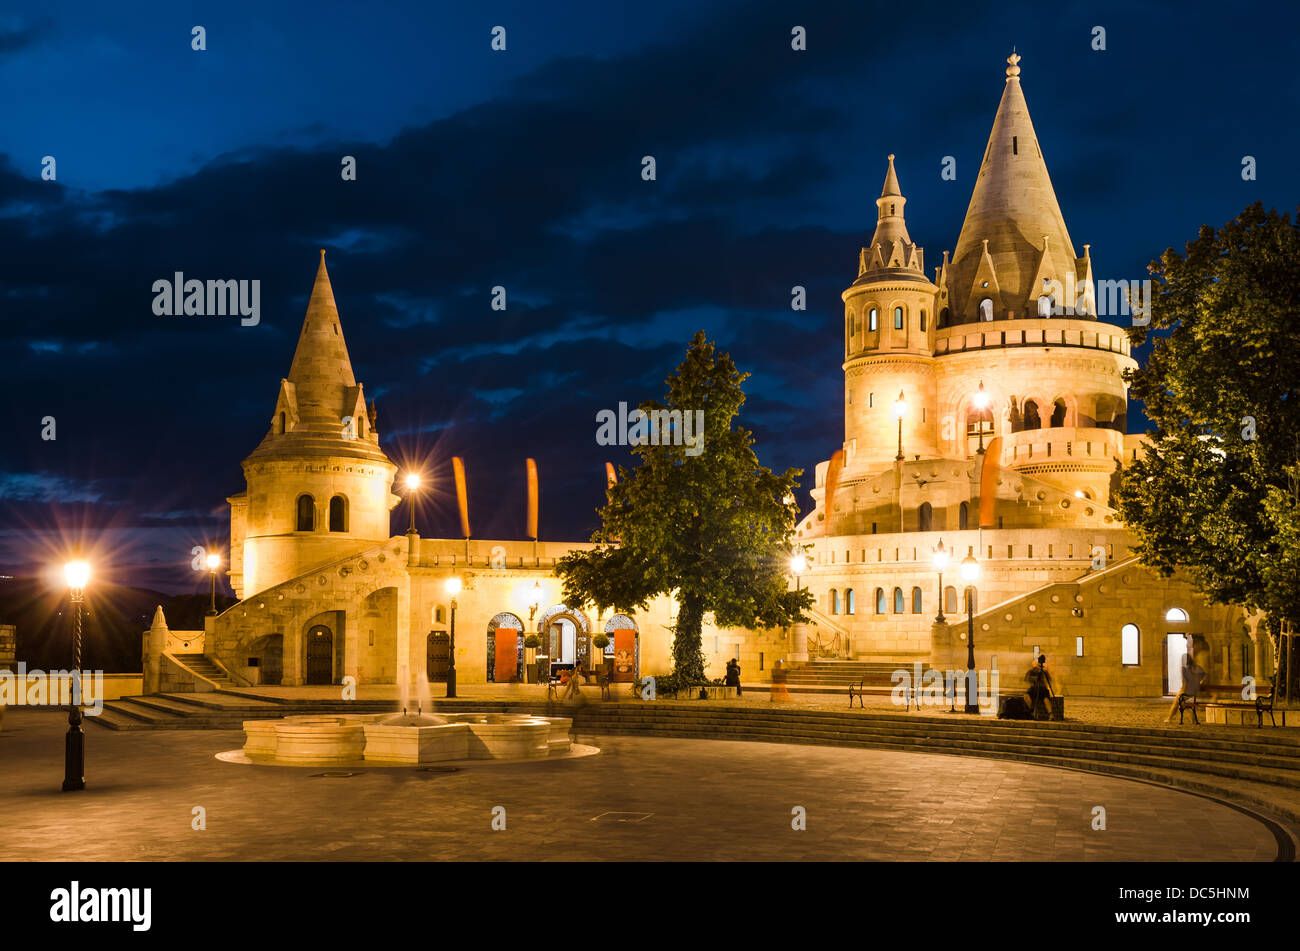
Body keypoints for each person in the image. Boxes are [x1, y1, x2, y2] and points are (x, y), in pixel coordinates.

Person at [1024, 654, 1054, 720]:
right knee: (1026, 695)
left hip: (1042, 688)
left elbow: (1049, 680)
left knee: (1046, 699)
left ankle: (1051, 714)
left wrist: (1043, 673)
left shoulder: (1044, 671)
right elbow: (1027, 680)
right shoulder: (1031, 671)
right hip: (1034, 688)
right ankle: (1031, 710)